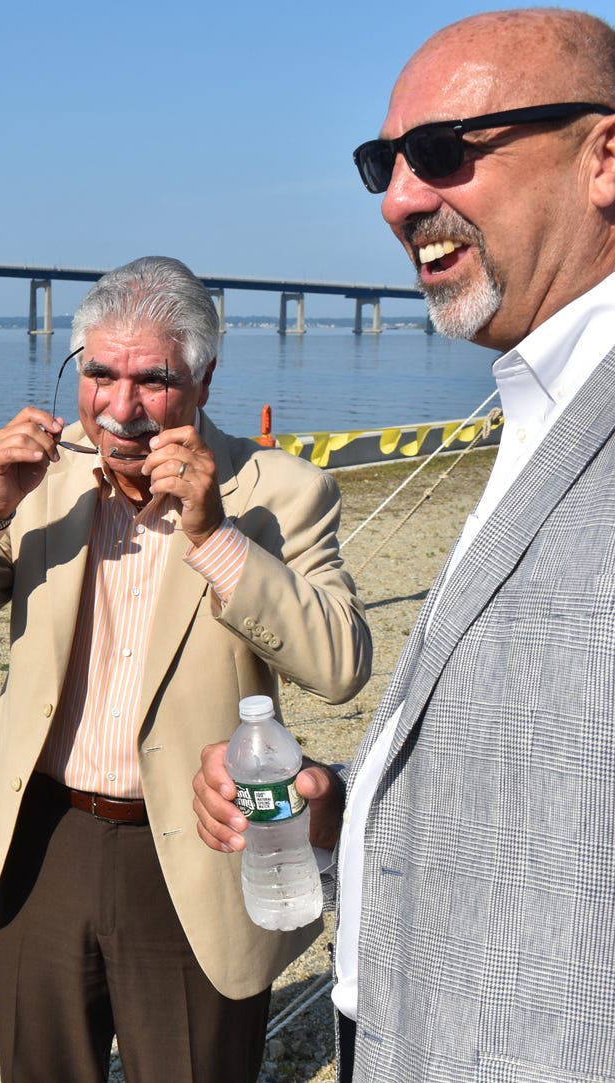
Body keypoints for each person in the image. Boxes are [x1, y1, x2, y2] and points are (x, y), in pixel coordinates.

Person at [193, 9, 615, 1081]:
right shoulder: (538, 405)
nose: (396, 201)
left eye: (441, 154)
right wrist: (346, 805)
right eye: (380, 163)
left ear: (604, 157)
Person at [0, 255, 371, 1083]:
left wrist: (215, 534)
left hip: (196, 846)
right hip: (43, 837)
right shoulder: (44, 480)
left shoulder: (282, 491)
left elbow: (339, 664)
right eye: (100, 374)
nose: (120, 407)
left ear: (204, 379)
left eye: (152, 379)